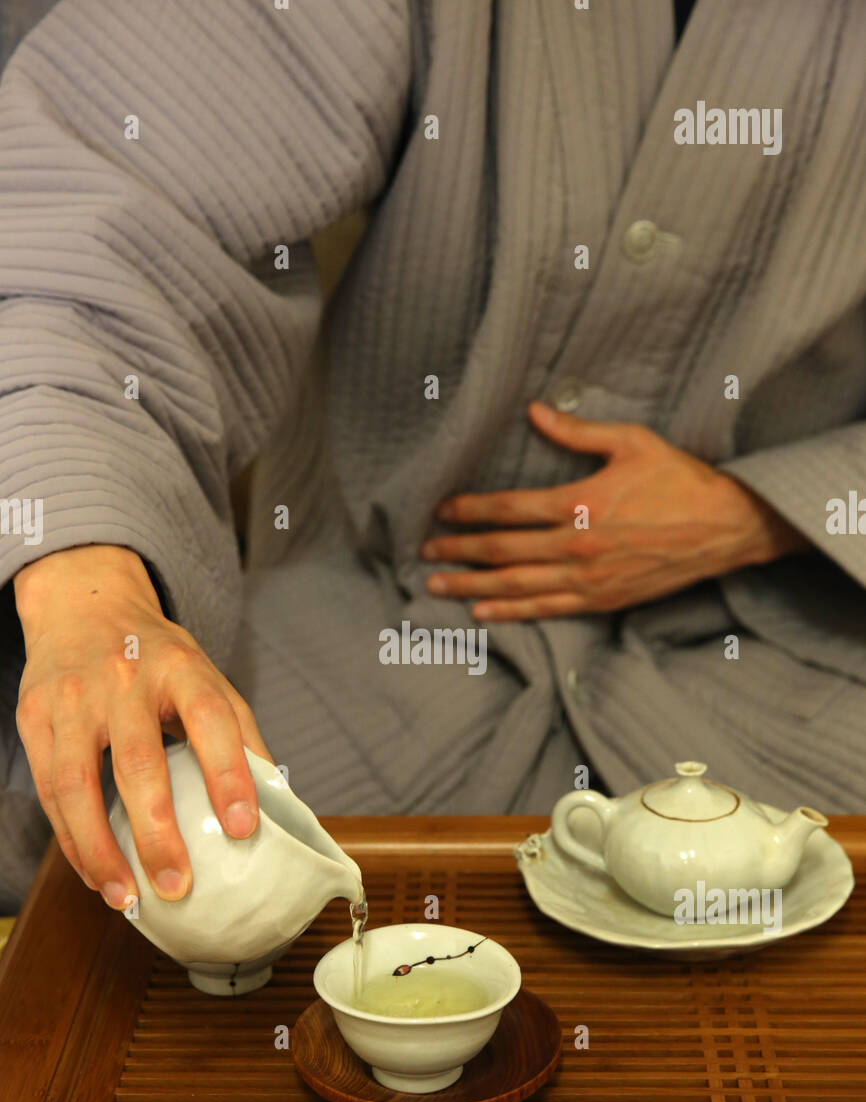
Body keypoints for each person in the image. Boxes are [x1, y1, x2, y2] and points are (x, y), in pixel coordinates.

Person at [0, 0, 864, 915]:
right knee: (128, 853)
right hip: (371, 637)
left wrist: (760, 513)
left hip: (796, 647)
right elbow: (101, 206)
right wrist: (91, 594)